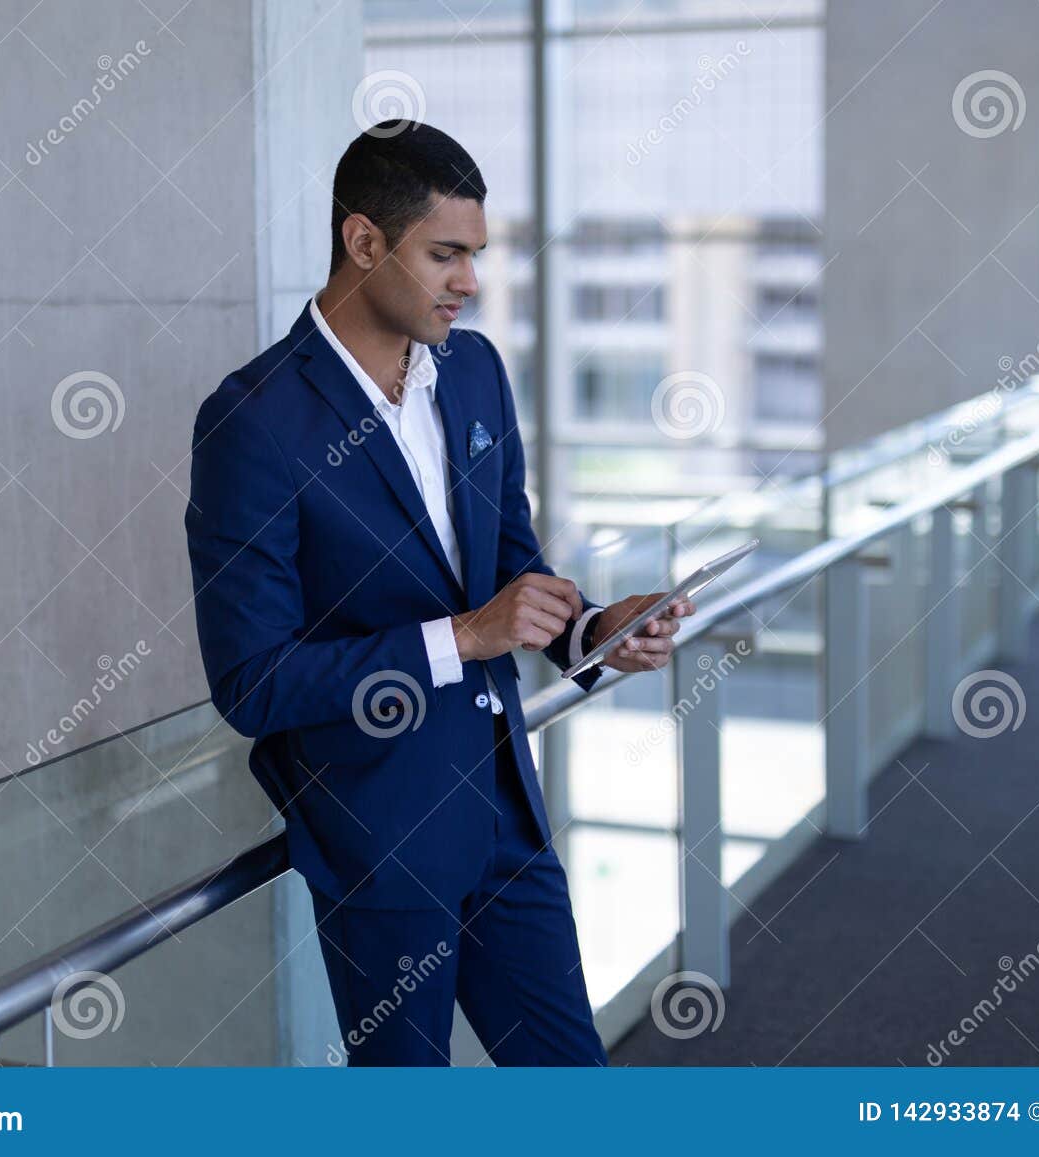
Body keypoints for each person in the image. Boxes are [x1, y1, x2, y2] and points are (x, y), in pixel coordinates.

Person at [185, 119, 693, 1066]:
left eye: (476, 255)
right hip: (378, 836)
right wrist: (459, 638)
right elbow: (253, 682)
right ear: (363, 241)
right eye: (445, 254)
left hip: (505, 811)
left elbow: (509, 568)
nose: (470, 281)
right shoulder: (252, 423)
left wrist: (592, 628)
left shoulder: (476, 373)